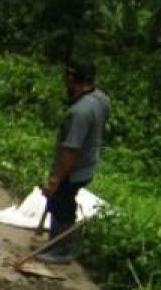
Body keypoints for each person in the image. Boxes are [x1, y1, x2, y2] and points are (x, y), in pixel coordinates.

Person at [38, 57, 109, 264]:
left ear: (71, 78)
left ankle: (62, 249)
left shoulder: (80, 112)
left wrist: (55, 179)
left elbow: (70, 151)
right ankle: (56, 242)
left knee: (62, 202)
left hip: (74, 169)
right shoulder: (101, 99)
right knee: (63, 200)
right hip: (88, 162)